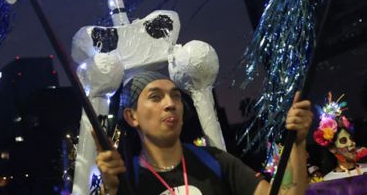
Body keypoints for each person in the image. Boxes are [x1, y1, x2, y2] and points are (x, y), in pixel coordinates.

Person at [94, 71, 313, 194]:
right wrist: (111, 190)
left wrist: (298, 141)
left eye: (176, 95)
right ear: (132, 116)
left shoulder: (215, 160)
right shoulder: (127, 179)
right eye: (155, 97)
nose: (170, 103)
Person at [312, 93, 367, 180]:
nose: (352, 143)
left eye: (351, 138)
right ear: (332, 149)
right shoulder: (328, 181)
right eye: (343, 140)